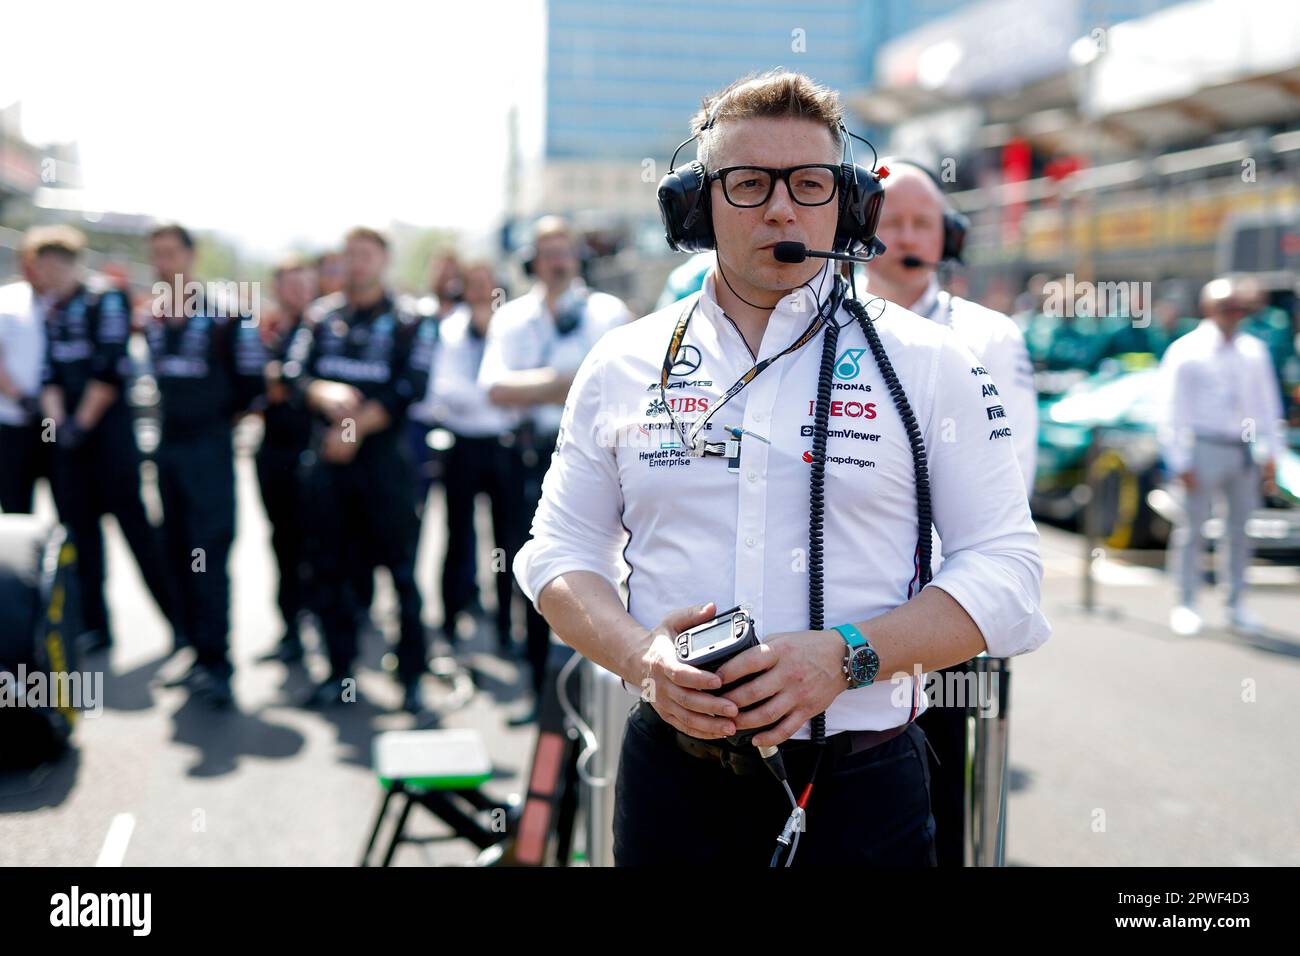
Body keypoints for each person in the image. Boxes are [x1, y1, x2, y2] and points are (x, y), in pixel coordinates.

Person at [513, 70, 1050, 866]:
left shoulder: (931, 363)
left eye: (808, 183)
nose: (780, 208)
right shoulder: (622, 361)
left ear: (848, 204)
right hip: (673, 783)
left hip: (864, 789)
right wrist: (640, 658)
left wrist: (846, 656)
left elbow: (1008, 573)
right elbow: (554, 554)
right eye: (748, 183)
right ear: (694, 206)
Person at [861, 158, 1039, 868]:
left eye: (921, 222)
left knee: (940, 795)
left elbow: (1007, 473)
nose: (906, 235)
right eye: (890, 221)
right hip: (841, 604)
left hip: (946, 606)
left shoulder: (991, 336)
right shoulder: (813, 321)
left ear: (949, 235)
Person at [479, 215, 632, 723]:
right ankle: (541, 697)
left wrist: (542, 386)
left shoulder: (606, 312)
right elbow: (495, 390)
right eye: (547, 250)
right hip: (528, 454)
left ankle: (594, 701)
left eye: (566, 248)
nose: (558, 258)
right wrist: (569, 381)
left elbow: (619, 388)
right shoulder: (512, 317)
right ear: (531, 261)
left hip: (599, 456)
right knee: (538, 573)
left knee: (600, 575)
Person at [284, 226, 435, 714]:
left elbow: (410, 386)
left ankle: (411, 677)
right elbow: (292, 375)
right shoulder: (321, 317)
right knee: (329, 571)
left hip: (385, 470)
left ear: (384, 261)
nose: (357, 263)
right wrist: (320, 391)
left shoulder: (411, 319)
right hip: (328, 470)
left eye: (367, 254)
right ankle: (339, 672)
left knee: (403, 575)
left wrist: (352, 431)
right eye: (350, 254)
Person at [36, 225, 181, 656]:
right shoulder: (53, 309)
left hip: (111, 441)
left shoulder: (107, 298)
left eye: (58, 262)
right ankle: (96, 626)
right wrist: (60, 424)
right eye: (44, 264)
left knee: (138, 532)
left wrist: (82, 422)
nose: (51, 271)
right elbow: (49, 375)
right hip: (71, 445)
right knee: (80, 538)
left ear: (74, 263)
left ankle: (182, 624)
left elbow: (110, 367)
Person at [144, 223, 266, 707]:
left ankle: (219, 664)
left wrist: (216, 425)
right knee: (175, 553)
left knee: (209, 559)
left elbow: (252, 387)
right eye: (156, 254)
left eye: (171, 252)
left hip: (210, 451)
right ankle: (193, 650)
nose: (163, 262)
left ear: (190, 257)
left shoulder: (226, 314)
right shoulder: (154, 315)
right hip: (168, 451)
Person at [1160, 277, 1286, 637]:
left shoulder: (1253, 351)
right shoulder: (1186, 350)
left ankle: (1235, 604)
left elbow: (1266, 406)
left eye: (1239, 308)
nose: (1234, 315)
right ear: (1208, 309)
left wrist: (1271, 454)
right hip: (1203, 446)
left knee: (1240, 531)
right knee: (1192, 528)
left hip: (1241, 449)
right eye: (1226, 308)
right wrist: (1180, 459)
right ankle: (1185, 602)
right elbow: (1172, 408)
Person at [429, 261, 519, 653]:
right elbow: (443, 391)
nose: (481, 290)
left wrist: (498, 395)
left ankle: (504, 628)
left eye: (488, 282)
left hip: (504, 447)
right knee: (457, 537)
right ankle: (449, 623)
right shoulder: (451, 329)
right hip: (463, 447)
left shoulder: (513, 326)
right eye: (474, 284)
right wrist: (492, 394)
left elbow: (519, 392)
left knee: (506, 543)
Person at [255, 256, 319, 664]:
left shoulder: (325, 328)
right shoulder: (265, 331)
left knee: (320, 543)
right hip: (273, 452)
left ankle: (329, 633)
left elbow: (286, 385)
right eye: (288, 284)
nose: (297, 292)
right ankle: (290, 631)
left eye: (303, 284)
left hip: (313, 452)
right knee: (281, 542)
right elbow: (257, 386)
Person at [0, 241, 49, 514]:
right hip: (14, 421)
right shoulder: (7, 301)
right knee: (16, 505)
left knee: (69, 501)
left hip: (52, 424)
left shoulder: (67, 302)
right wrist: (20, 397)